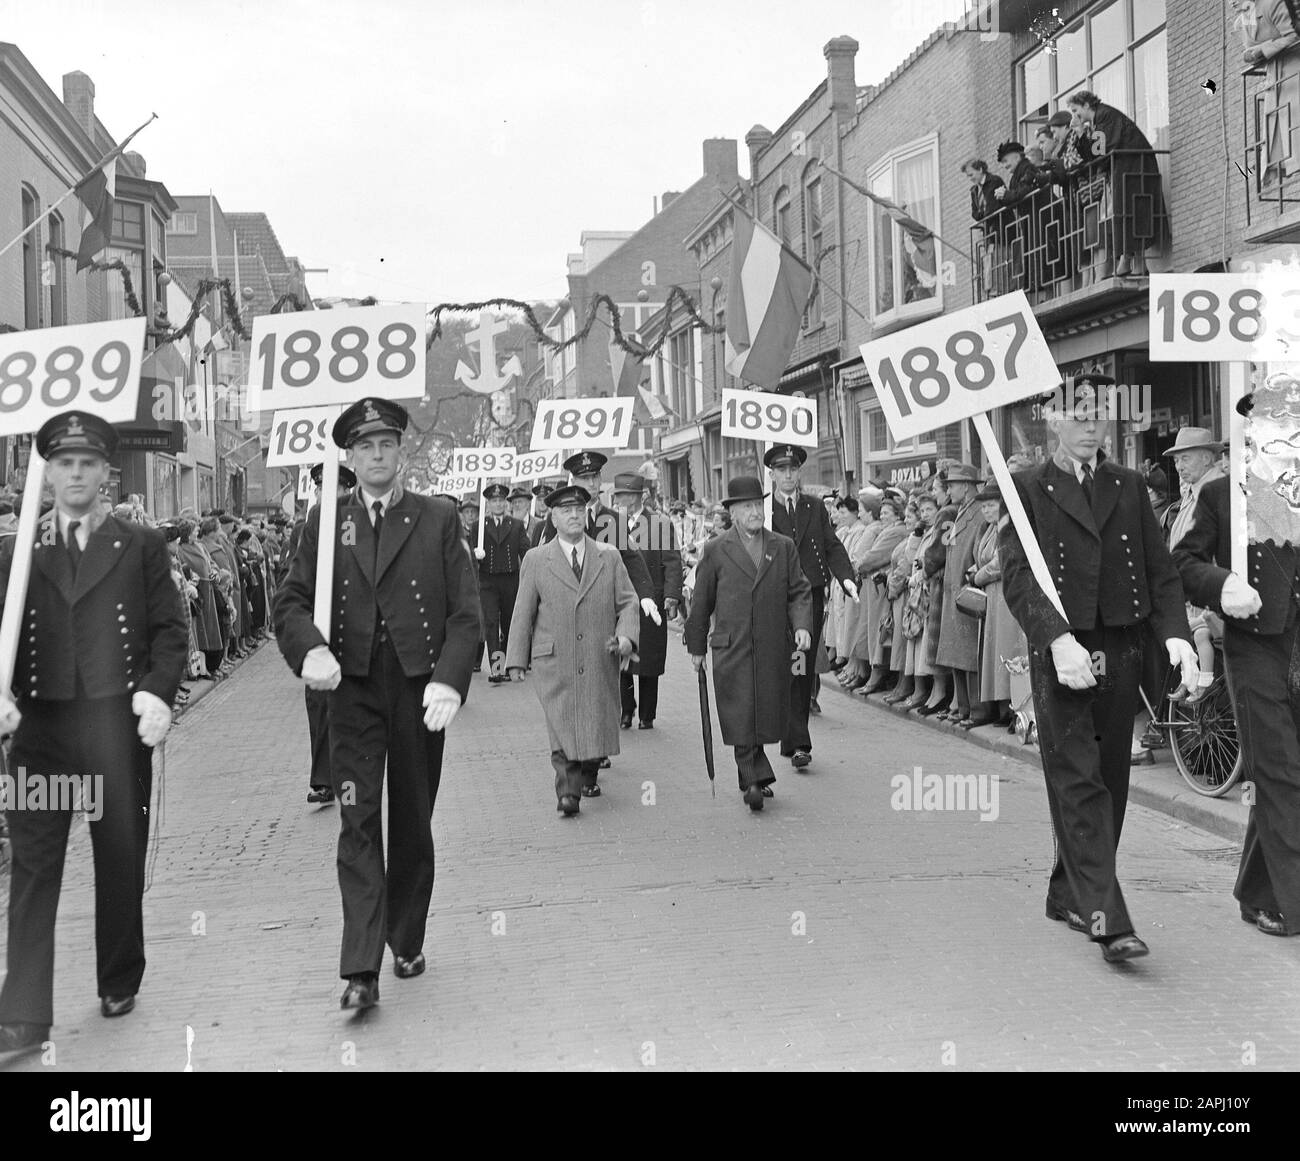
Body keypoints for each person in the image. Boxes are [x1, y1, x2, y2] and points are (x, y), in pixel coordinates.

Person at [273, 396, 480, 1010]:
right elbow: (288, 600)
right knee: (357, 820)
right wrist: (308, 650)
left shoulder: (437, 517)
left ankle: (406, 937)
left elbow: (465, 612)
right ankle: (360, 968)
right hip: (353, 689)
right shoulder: (325, 523)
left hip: (418, 690)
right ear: (350, 457)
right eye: (365, 447)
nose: (377, 455)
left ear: (401, 450)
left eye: (387, 443)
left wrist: (449, 677)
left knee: (413, 818)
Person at [0, 411, 187, 1064]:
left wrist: (158, 690)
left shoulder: (139, 545)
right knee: (33, 868)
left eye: (87, 464)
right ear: (47, 473)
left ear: (107, 473)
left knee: (118, 854)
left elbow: (169, 628)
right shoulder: (19, 550)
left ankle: (117, 977)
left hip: (114, 725)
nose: (75, 474)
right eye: (64, 463)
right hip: (42, 731)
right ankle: (21, 1015)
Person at [999, 375, 1197, 964]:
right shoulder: (1028, 488)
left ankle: (1067, 890)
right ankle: (1107, 918)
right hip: (1063, 651)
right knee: (1078, 778)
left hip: (1121, 646)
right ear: (1052, 420)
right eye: (1077, 414)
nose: (1090, 424)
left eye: (1098, 414)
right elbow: (1016, 575)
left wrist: (1178, 638)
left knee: (1110, 782)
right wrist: (1056, 638)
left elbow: (1160, 572)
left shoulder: (1129, 485)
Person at [1173, 384, 1300, 937]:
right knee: (1279, 772)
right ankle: (1295, 904)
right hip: (1255, 650)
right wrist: (1223, 586)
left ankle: (1255, 888)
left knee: (1284, 778)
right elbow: (1182, 564)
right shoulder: (1226, 493)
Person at [505, 484, 639, 814]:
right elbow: (523, 611)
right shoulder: (537, 559)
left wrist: (626, 638)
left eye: (579, 510)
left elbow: (628, 602)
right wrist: (515, 660)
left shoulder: (608, 557)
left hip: (598, 653)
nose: (574, 516)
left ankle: (589, 771)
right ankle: (568, 792)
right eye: (566, 511)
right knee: (561, 723)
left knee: (593, 719)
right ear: (553, 516)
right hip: (554, 659)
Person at [684, 476, 812, 811]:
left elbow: (799, 590)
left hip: (772, 647)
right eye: (747, 506)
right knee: (741, 712)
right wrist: (696, 646)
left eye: (758, 505)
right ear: (733, 513)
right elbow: (701, 603)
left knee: (764, 710)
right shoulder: (715, 550)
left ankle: (754, 772)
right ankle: (754, 779)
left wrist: (802, 626)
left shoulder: (782, 547)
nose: (755, 511)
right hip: (731, 646)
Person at [766, 444, 857, 770]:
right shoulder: (763, 511)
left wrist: (846, 578)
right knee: (784, 668)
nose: (787, 475)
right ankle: (787, 736)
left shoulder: (814, 507)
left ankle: (798, 743)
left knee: (800, 667)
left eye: (792, 469)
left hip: (810, 597)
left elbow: (831, 546)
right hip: (775, 598)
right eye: (781, 470)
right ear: (773, 474)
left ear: (799, 472)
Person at [298, 462, 359, 806]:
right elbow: (296, 572)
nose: (325, 495)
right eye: (320, 489)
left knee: (350, 703)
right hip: (319, 626)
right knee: (318, 700)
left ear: (346, 489)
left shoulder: (357, 517)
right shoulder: (311, 522)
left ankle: (349, 778)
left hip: (353, 623)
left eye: (333, 488)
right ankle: (322, 780)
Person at [1065, 89, 1166, 277]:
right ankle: (1132, 263)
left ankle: (1129, 262)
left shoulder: (1105, 117)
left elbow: (1099, 153)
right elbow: (1095, 156)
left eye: (1075, 110)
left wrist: (1083, 136)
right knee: (1127, 212)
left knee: (1129, 211)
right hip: (1127, 167)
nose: (1074, 115)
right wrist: (1080, 135)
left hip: (1133, 167)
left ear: (1086, 105)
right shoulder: (1100, 120)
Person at [611, 473, 682, 730]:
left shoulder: (659, 523)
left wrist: (672, 596)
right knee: (624, 657)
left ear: (641, 496)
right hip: (621, 602)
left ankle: (647, 715)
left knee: (650, 659)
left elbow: (672, 561)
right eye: (619, 496)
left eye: (629, 496)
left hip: (653, 601)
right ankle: (626, 710)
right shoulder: (611, 524)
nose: (624, 501)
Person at [935, 464, 986, 725]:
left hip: (966, 591)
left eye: (952, 485)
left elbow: (976, 551)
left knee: (968, 653)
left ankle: (976, 710)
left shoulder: (978, 512)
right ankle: (964, 706)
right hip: (953, 591)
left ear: (966, 485)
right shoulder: (961, 511)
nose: (948, 489)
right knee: (957, 654)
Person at [970, 482, 1023, 729]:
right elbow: (984, 558)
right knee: (995, 650)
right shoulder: (991, 529)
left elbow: (1000, 562)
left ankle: (1013, 706)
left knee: (1008, 648)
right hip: (993, 597)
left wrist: (977, 576)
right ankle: (1002, 705)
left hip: (1005, 595)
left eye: (991, 506)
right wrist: (976, 569)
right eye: (984, 507)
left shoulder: (1009, 526)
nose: (986, 511)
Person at [852, 495, 908, 695]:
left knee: (878, 630)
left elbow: (874, 556)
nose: (882, 516)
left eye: (886, 513)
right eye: (881, 512)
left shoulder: (895, 532)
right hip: (874, 586)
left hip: (880, 587)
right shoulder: (887, 530)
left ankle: (877, 674)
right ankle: (869, 672)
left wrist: (859, 565)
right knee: (871, 629)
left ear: (897, 515)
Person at [477, 482, 530, 684]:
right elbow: (469, 556)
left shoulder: (516, 525)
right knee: (491, 623)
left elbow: (525, 551)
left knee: (509, 624)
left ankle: (507, 664)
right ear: (488, 504)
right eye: (494, 501)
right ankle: (496, 669)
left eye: (500, 500)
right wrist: (476, 555)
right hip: (488, 581)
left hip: (510, 580)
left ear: (505, 504)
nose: (498, 504)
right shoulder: (479, 527)